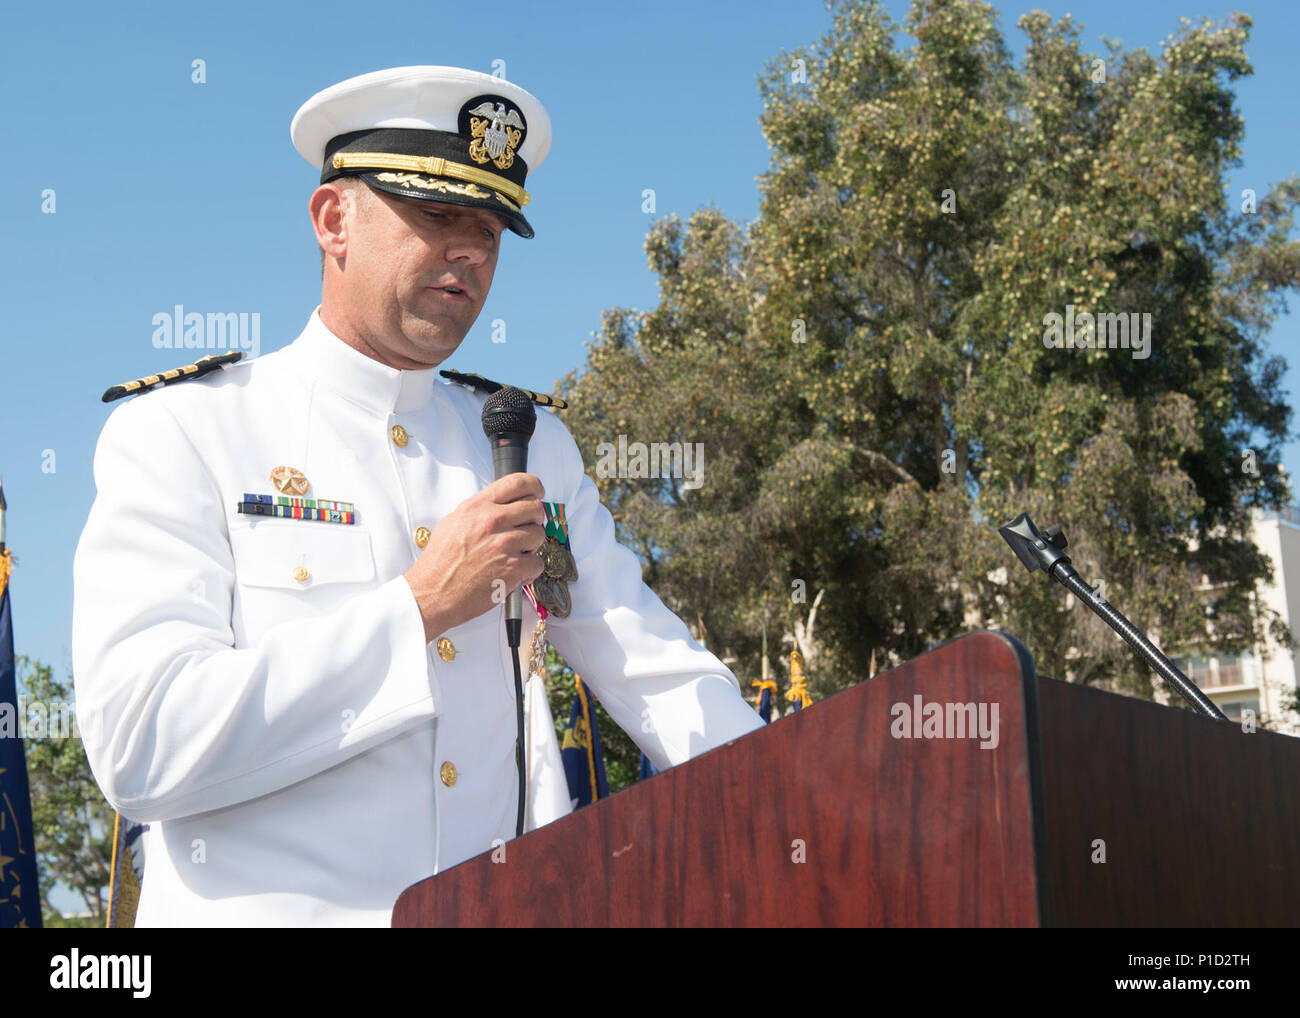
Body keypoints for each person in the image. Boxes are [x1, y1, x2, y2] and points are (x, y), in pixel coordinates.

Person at [71, 65, 764, 928]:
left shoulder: (527, 443)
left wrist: (817, 809)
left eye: (492, 227)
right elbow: (143, 746)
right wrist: (420, 607)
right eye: (437, 215)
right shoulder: (186, 430)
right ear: (334, 221)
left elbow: (654, 671)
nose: (470, 250)